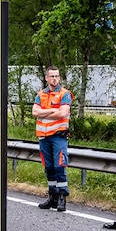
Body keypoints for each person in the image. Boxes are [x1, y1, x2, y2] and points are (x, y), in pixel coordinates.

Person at [31, 67, 72, 211]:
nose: (55, 78)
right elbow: (34, 112)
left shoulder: (65, 94)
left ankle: (62, 197)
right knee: (49, 168)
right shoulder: (40, 94)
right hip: (43, 137)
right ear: (46, 78)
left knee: (59, 166)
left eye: (57, 76)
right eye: (52, 76)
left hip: (58, 136)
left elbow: (63, 113)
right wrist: (53, 110)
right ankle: (52, 196)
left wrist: (43, 113)